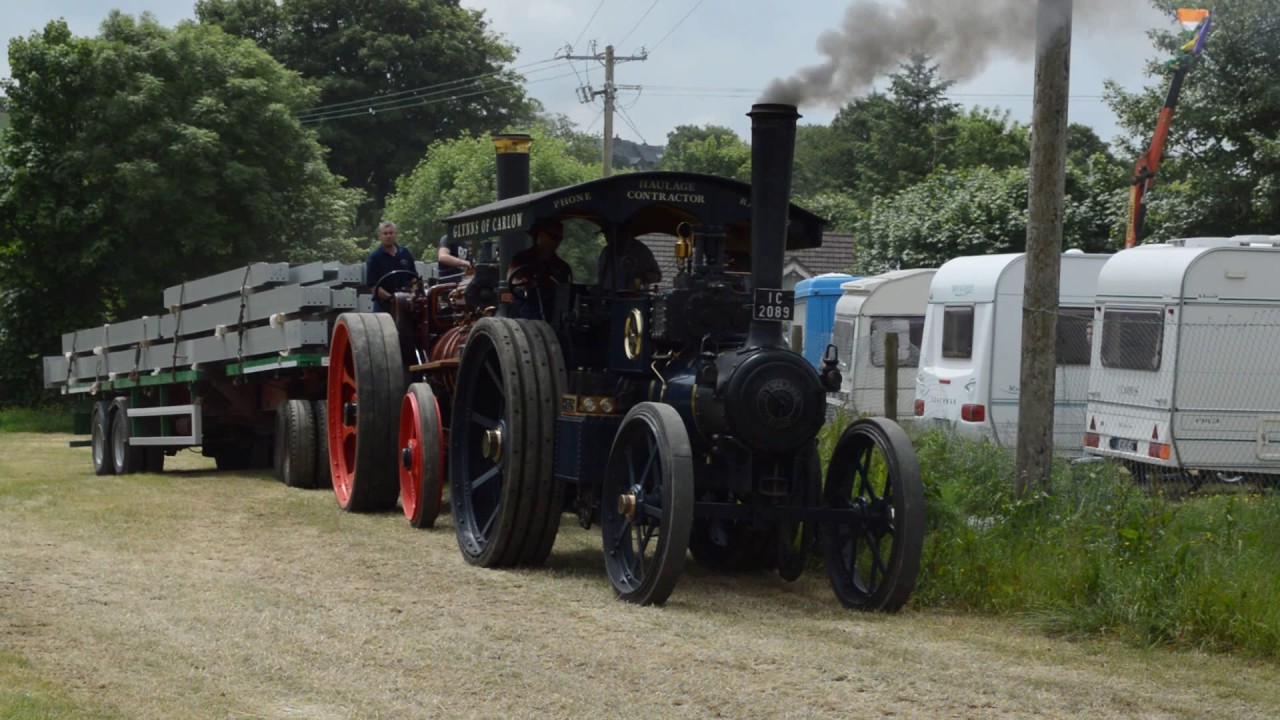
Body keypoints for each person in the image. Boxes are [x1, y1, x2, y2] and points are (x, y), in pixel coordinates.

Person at [508, 220, 572, 320]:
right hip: (525, 304)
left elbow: (566, 290)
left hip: (552, 308)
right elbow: (511, 278)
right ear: (541, 235)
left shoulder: (562, 266)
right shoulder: (521, 258)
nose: (557, 242)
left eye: (560, 239)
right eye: (554, 237)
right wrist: (522, 283)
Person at [365, 221, 415, 312]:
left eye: (391, 233)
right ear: (380, 236)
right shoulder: (374, 257)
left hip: (407, 304)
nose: (388, 236)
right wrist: (392, 298)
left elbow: (414, 278)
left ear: (396, 234)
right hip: (383, 305)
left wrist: (413, 294)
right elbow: (373, 286)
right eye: (385, 233)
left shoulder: (405, 253)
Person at [597, 231, 662, 292]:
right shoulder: (606, 251)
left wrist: (643, 275)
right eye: (606, 234)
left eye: (609, 233)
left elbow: (657, 277)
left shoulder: (641, 250)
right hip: (610, 298)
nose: (607, 237)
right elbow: (601, 278)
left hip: (635, 299)